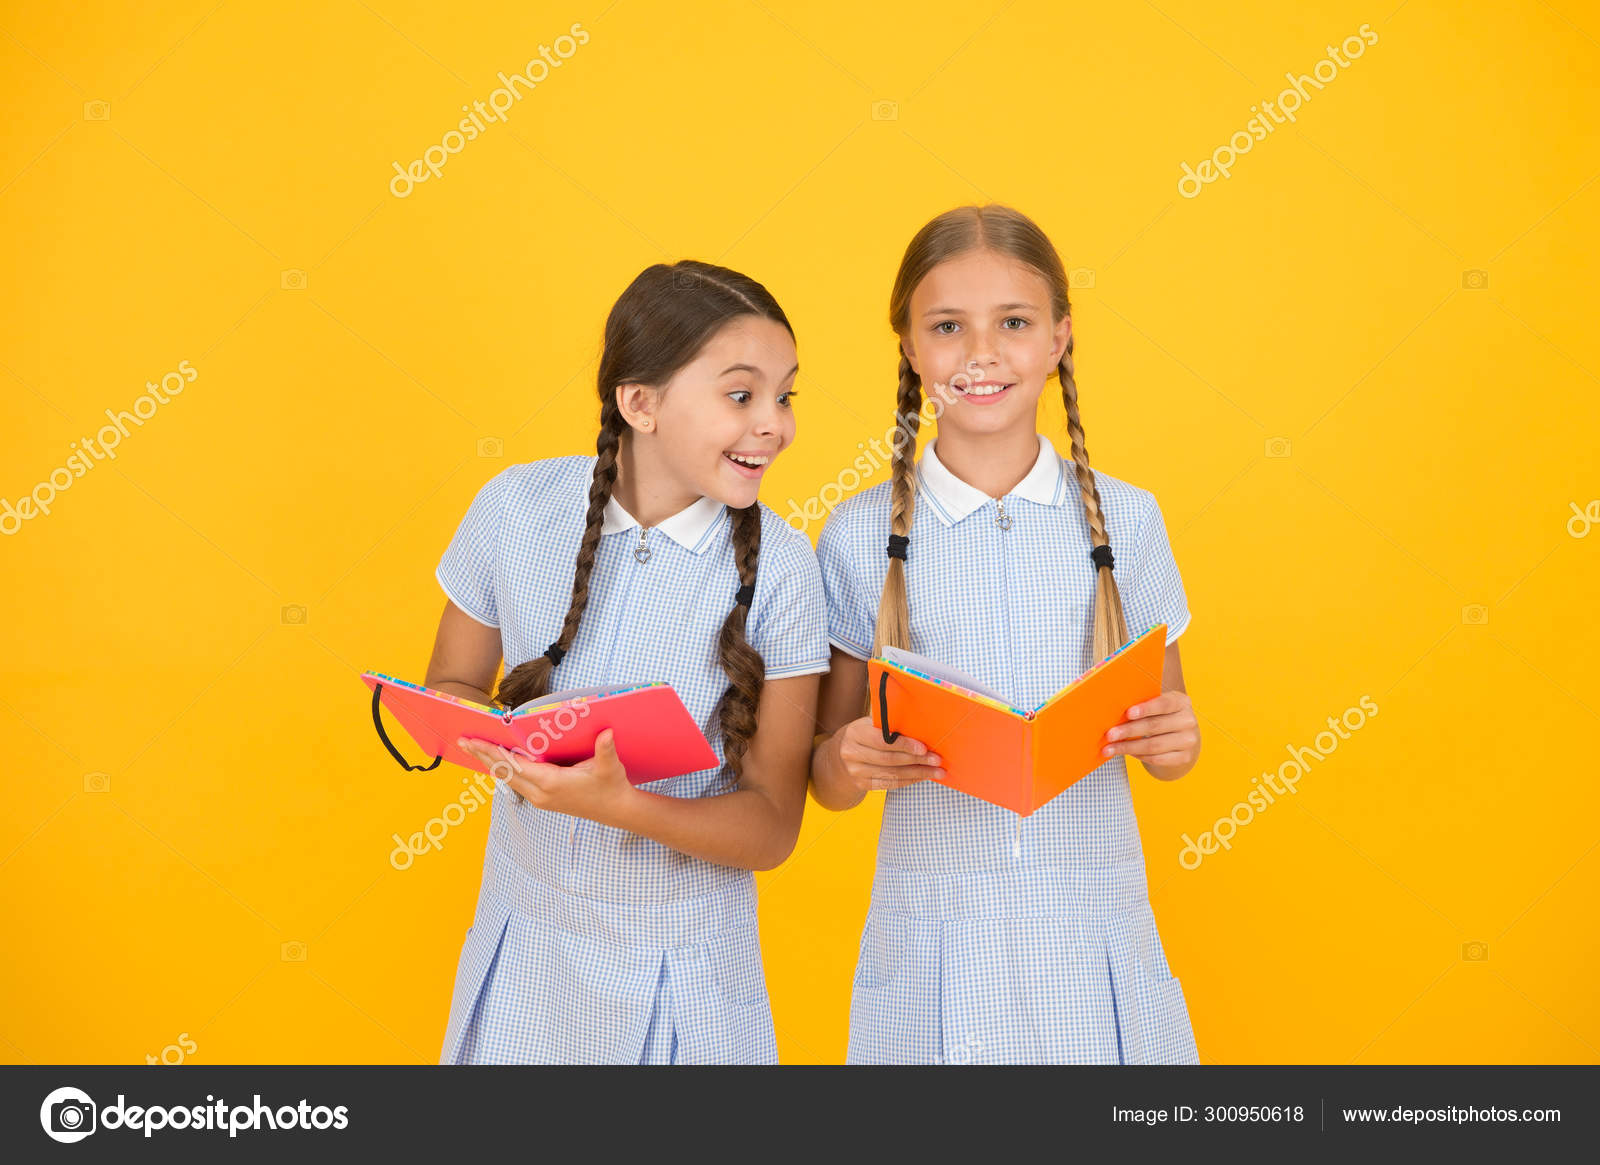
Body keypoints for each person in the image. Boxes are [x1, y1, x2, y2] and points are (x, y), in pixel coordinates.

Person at [810, 205, 1203, 1064]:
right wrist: (849, 756)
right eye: (948, 326)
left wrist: (1177, 738)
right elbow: (827, 781)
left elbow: (1170, 747)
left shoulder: (1129, 520)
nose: (981, 354)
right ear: (911, 347)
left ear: (1060, 337)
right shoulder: (853, 535)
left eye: (1014, 323)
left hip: (1090, 938)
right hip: (933, 949)